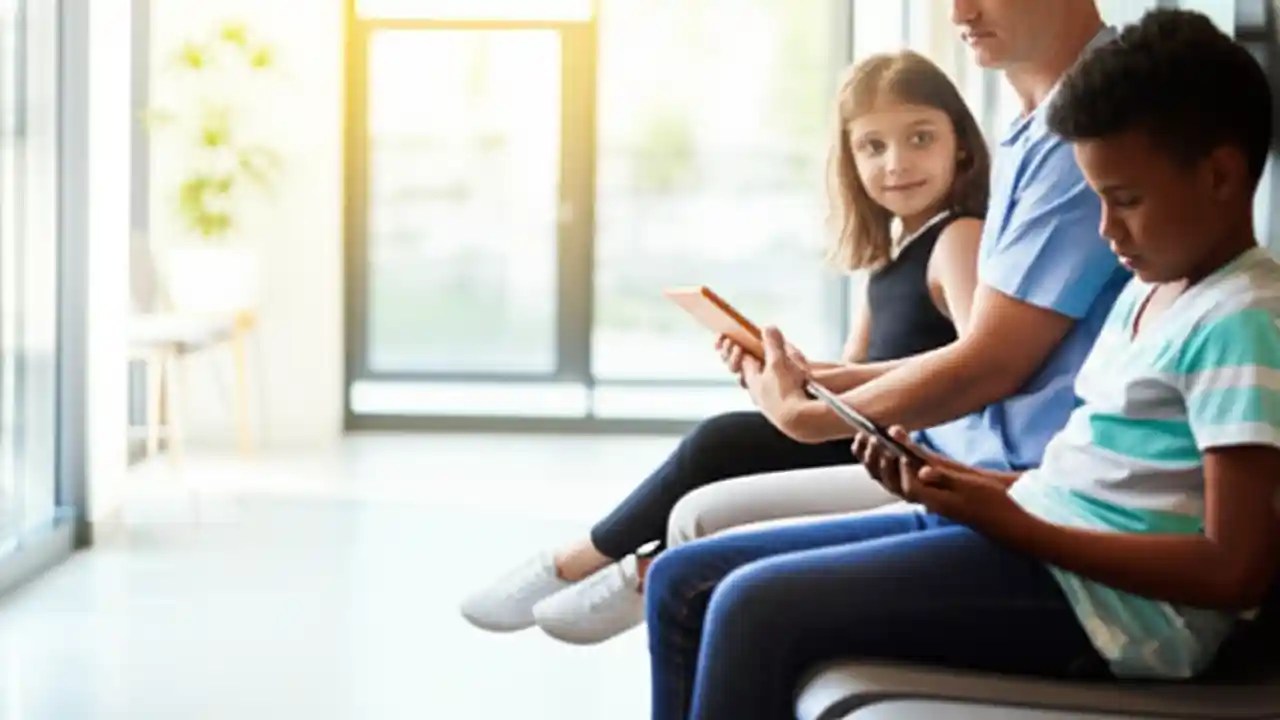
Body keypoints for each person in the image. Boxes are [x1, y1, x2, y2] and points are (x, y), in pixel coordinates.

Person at [645, 9, 1280, 719]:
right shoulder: (1155, 287)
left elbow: (1236, 568)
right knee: (680, 581)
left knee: (745, 608)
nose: (1105, 229)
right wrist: (971, 486)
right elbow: (1106, 479)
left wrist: (1011, 523)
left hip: (1112, 613)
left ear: (1221, 176)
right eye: (1099, 199)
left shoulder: (1243, 320)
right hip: (1040, 538)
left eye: (1125, 201)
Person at [460, 49, 990, 644]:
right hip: (865, 430)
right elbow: (858, 368)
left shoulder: (957, 239)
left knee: (721, 441)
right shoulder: (892, 255)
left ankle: (575, 564)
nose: (897, 163)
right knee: (727, 443)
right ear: (849, 159)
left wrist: (824, 388)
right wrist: (793, 369)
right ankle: (637, 567)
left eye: (920, 138)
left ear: (961, 146)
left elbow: (978, 360)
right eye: (873, 147)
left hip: (910, 443)